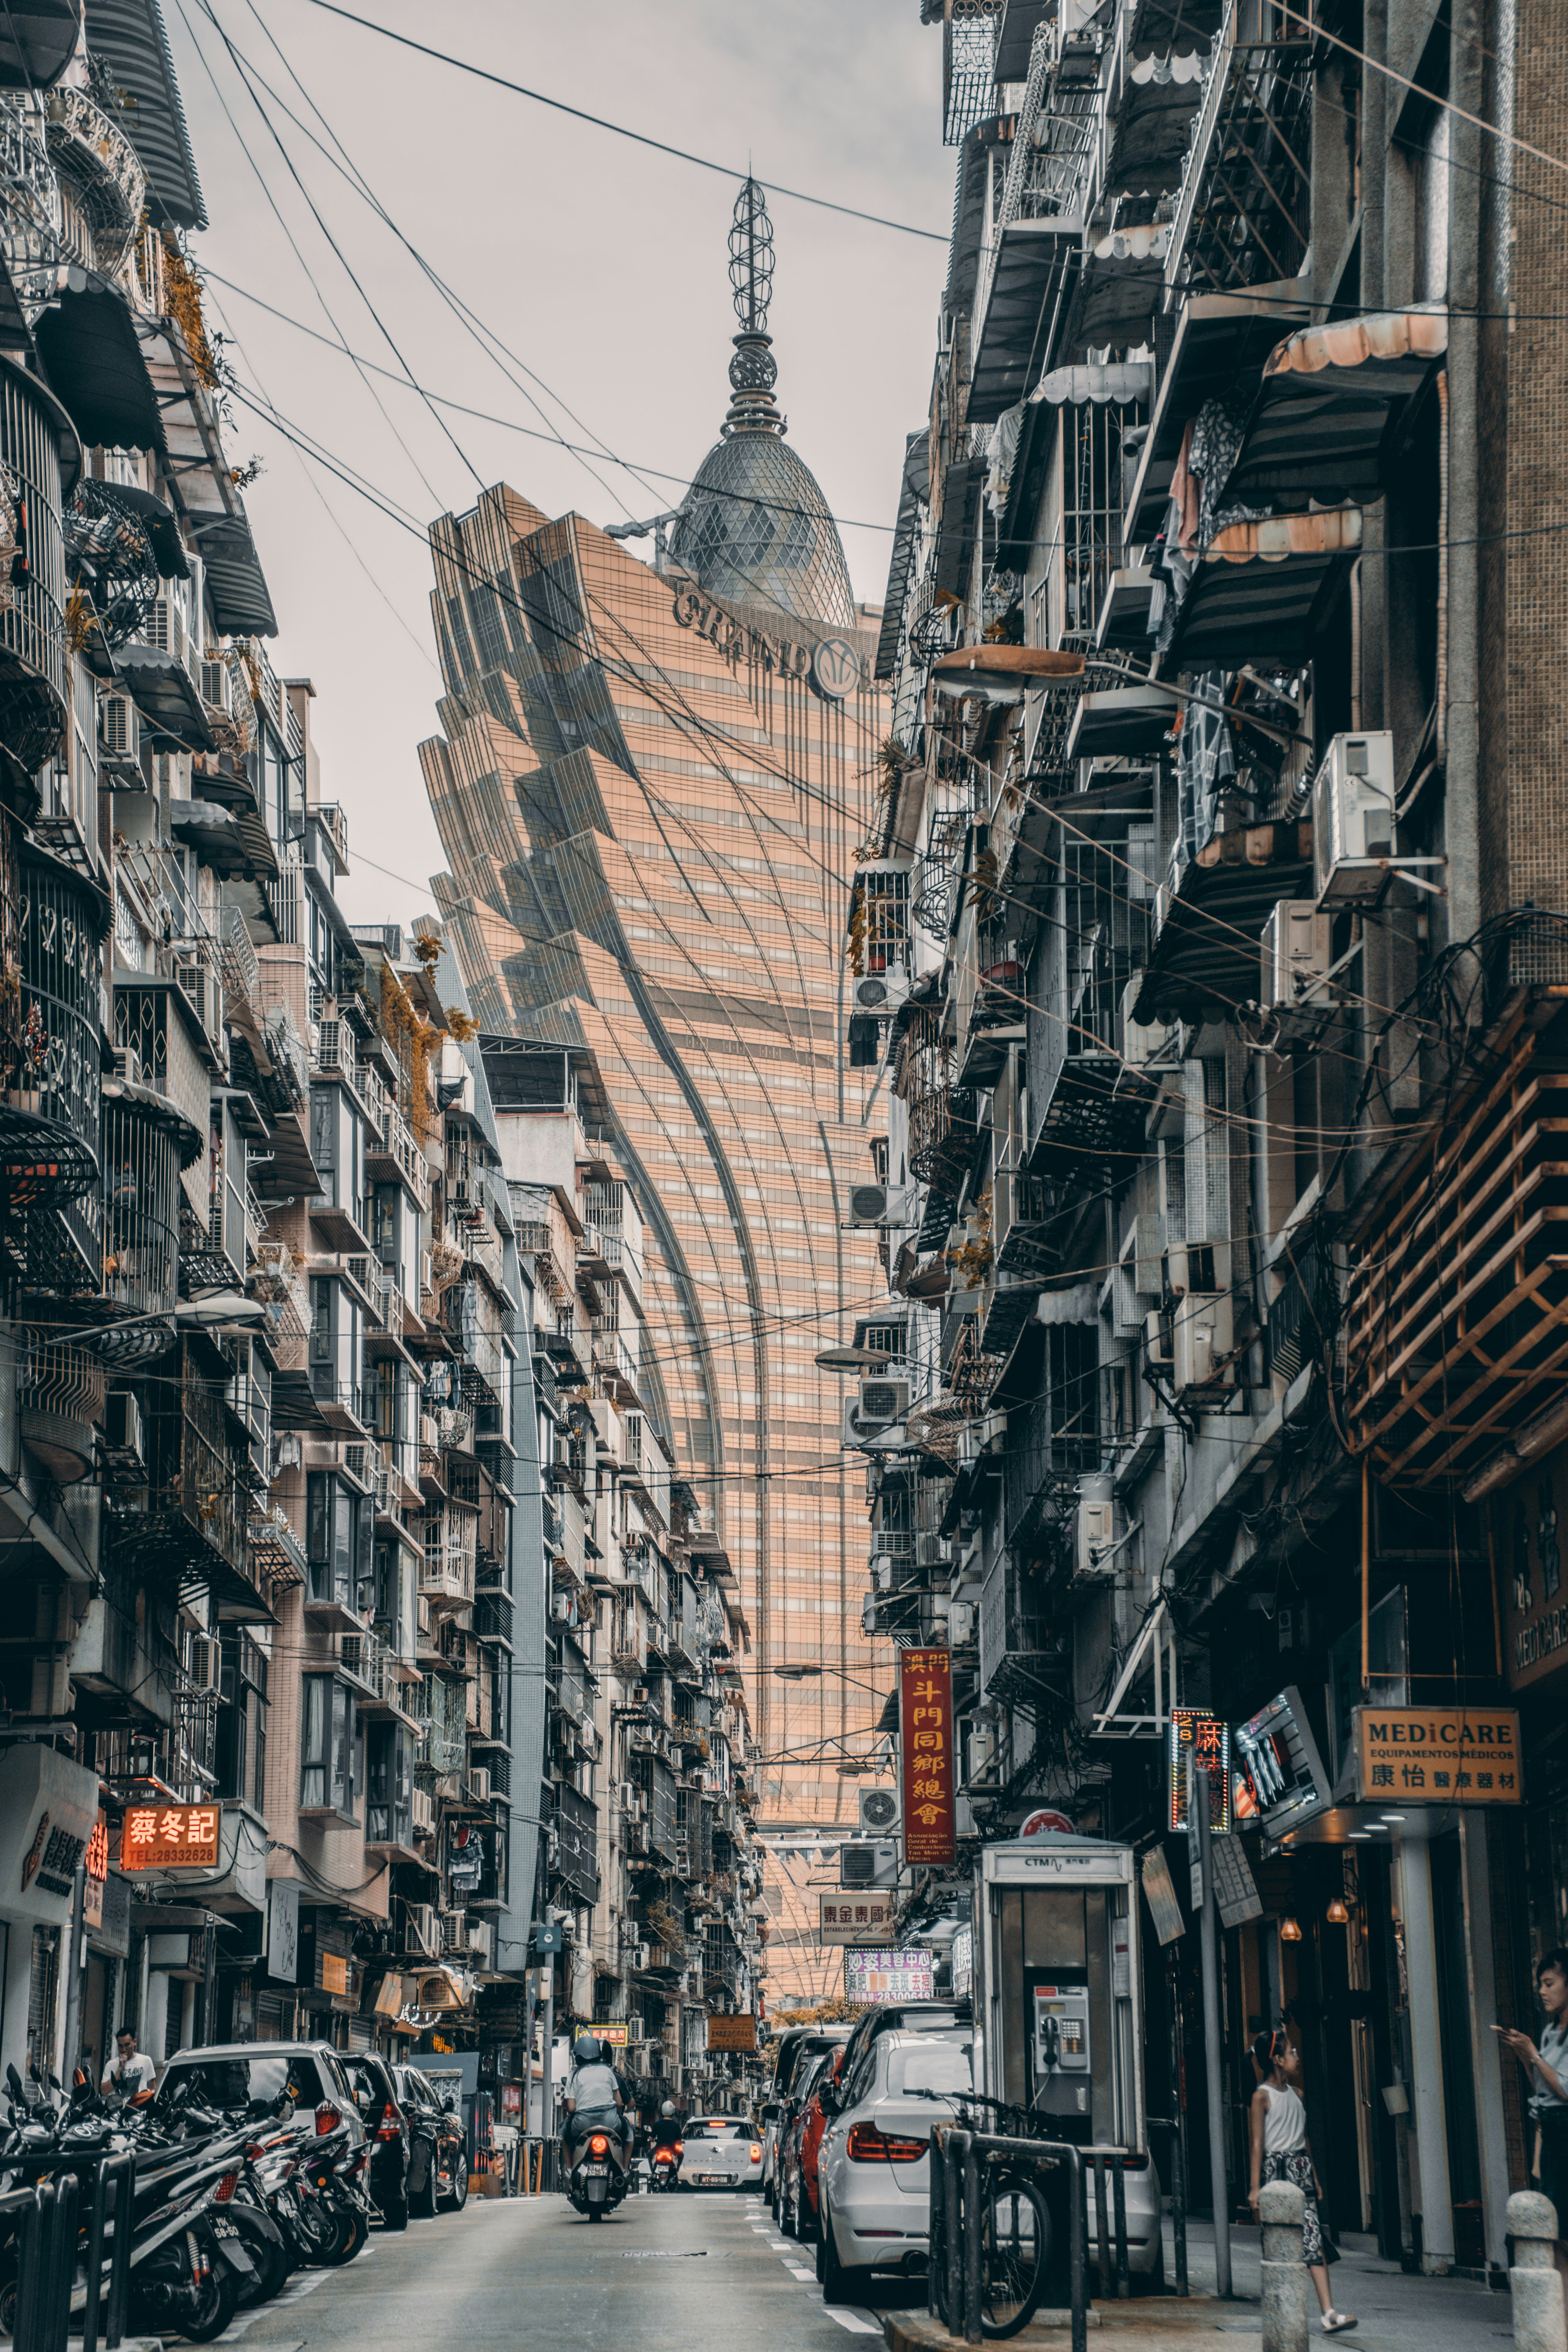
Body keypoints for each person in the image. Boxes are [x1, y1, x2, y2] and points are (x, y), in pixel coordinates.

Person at [1247, 2029, 1357, 2336]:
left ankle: (1329, 2312)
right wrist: (1255, 2188)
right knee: (1281, 2245)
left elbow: (1305, 2140)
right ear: (1277, 2060)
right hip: (1275, 2171)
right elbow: (1257, 2144)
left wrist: (1315, 2179)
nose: (1297, 2055)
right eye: (1291, 2051)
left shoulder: (1298, 2095)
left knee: (1313, 2240)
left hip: (1301, 2170)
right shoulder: (1261, 2096)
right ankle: (1283, 2314)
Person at [1500, 1949, 1568, 2238]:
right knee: (1553, 2224)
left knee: (1561, 2220)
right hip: (1551, 2127)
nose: (1542, 1991)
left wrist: (1535, 2056)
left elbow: (1565, 2090)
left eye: (1549, 1983)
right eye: (1540, 1984)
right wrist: (1525, 2056)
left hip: (1564, 2126)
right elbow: (1542, 2088)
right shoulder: (1550, 2030)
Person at [561, 2033, 632, 2171]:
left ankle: (569, 2170)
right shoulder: (607, 2071)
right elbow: (619, 2103)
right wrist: (616, 2116)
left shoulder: (574, 2076)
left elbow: (571, 2109)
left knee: (565, 2136)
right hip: (610, 2122)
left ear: (578, 2057)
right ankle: (624, 2169)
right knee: (629, 2134)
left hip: (582, 2124)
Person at [100, 2028, 155, 2106]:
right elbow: (104, 2091)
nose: (124, 2050)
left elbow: (153, 2089)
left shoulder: (146, 2061)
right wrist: (120, 2069)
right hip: (117, 2112)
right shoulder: (111, 2065)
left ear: (135, 2042)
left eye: (127, 2045)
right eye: (120, 2046)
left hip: (138, 2111)